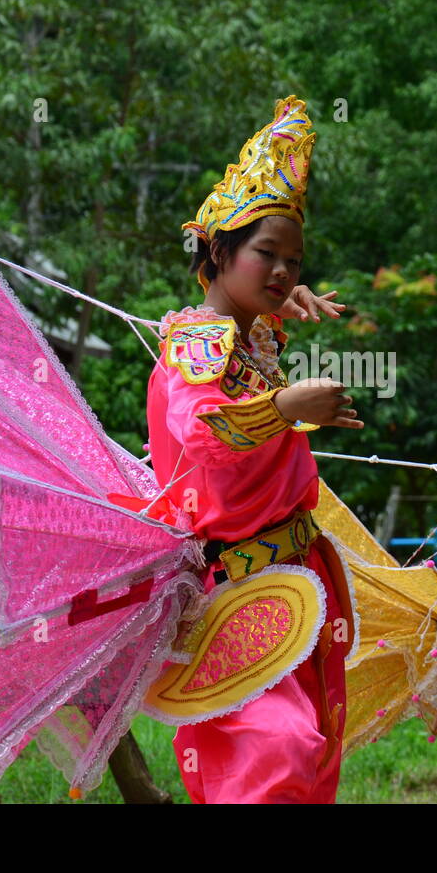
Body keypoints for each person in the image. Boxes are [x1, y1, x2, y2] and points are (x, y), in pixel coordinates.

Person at [143, 94, 365, 803]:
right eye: (266, 253)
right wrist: (287, 406)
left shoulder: (253, 335)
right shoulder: (196, 342)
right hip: (238, 591)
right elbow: (204, 436)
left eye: (293, 261)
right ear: (217, 250)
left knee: (310, 756)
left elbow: (256, 331)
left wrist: (278, 302)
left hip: (298, 583)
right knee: (276, 754)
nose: (283, 272)